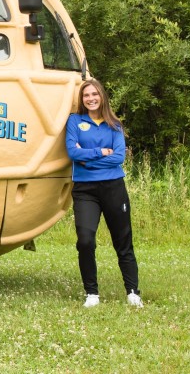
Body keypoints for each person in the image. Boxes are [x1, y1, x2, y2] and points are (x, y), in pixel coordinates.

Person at [67, 78, 142, 308]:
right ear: (82, 99)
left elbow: (118, 157)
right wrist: (101, 152)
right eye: (86, 95)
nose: (90, 98)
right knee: (85, 241)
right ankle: (92, 294)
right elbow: (72, 152)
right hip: (85, 189)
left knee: (123, 241)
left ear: (102, 96)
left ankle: (132, 292)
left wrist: (87, 158)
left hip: (113, 187)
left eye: (94, 94)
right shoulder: (74, 121)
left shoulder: (115, 125)